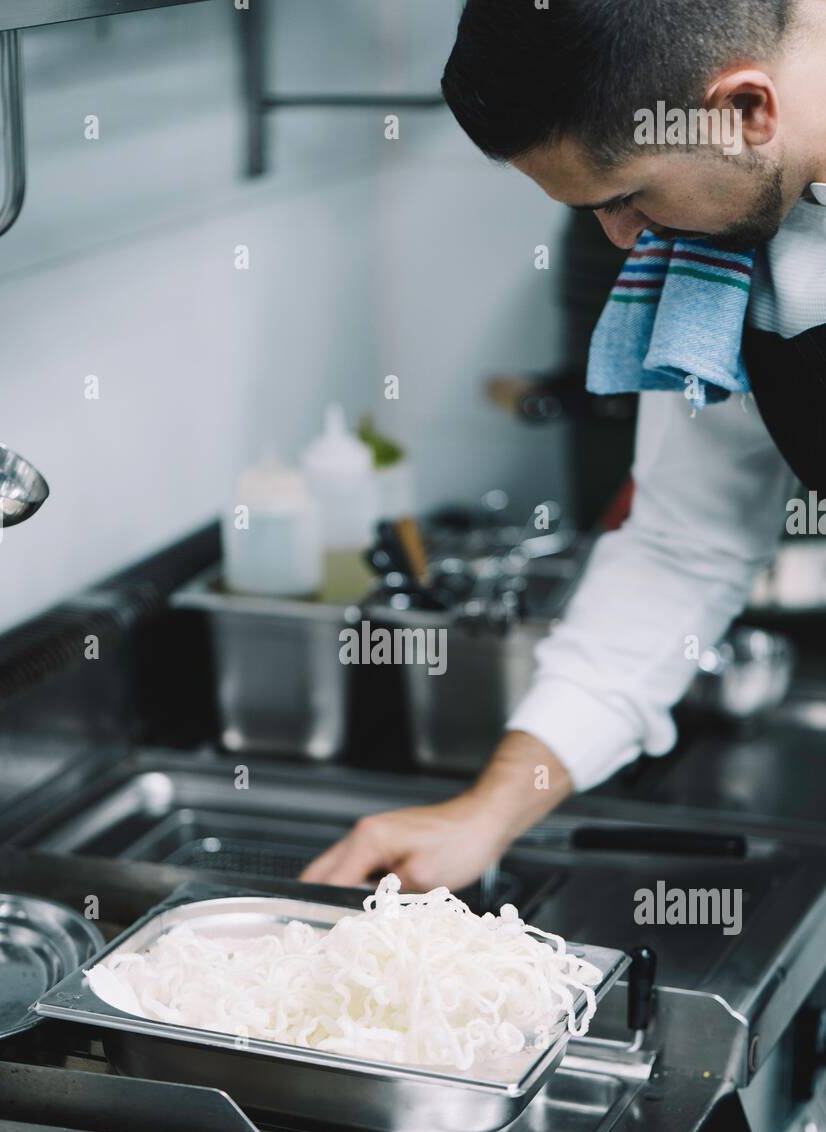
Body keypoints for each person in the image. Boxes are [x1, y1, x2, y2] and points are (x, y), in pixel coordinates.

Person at [303, 0, 822, 892]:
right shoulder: (721, 245)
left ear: (744, 111)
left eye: (626, 198)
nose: (622, 239)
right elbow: (681, 547)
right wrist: (488, 811)